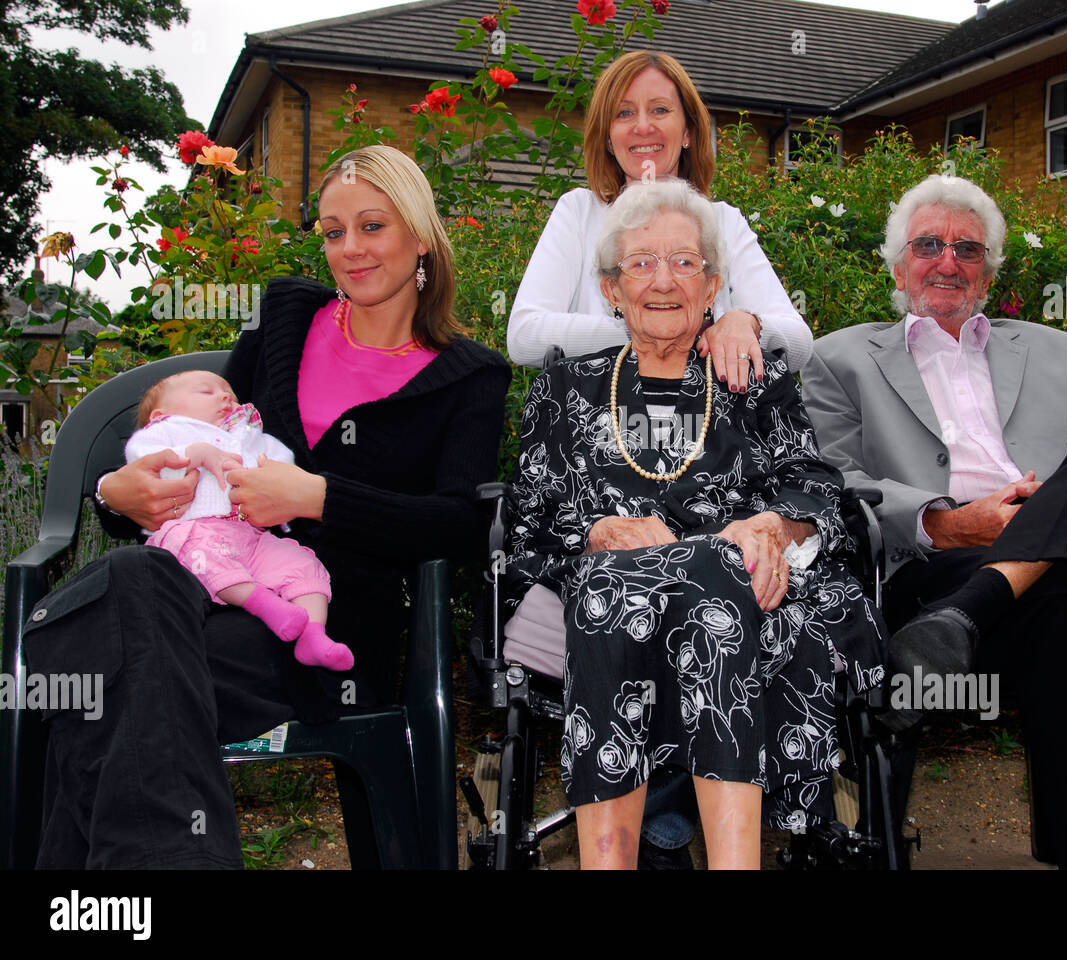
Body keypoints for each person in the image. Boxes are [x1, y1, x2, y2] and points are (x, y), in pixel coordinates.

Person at [24, 144, 510, 868]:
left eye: (372, 226)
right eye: (332, 231)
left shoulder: (468, 376)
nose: (350, 249)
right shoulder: (285, 315)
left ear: (419, 237)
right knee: (132, 585)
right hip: (185, 586)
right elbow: (196, 441)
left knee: (88, 678)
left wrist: (316, 496)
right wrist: (117, 495)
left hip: (320, 622)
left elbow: (459, 524)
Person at [801, 174, 1067, 870]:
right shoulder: (839, 358)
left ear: (989, 273)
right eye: (929, 245)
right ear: (898, 264)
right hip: (937, 567)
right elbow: (829, 481)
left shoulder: (1059, 352)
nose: (948, 261)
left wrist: (1039, 517)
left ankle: (983, 602)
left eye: (968, 248)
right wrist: (945, 521)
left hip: (1063, 555)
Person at [505, 179, 886, 870]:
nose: (662, 280)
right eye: (641, 263)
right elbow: (528, 520)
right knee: (631, 576)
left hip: (752, 595)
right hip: (611, 593)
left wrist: (775, 524)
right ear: (610, 288)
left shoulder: (752, 379)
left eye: (684, 262)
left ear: (714, 286)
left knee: (708, 567)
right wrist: (593, 534)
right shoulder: (564, 389)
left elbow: (817, 488)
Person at [509, 49, 812, 391]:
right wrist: (664, 330)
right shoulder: (579, 213)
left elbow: (799, 343)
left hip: (713, 432)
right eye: (624, 113)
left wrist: (748, 324)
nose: (642, 126)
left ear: (688, 132)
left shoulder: (723, 221)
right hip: (597, 428)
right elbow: (525, 335)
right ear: (608, 138)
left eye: (660, 109)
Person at [127, 370, 352, 671]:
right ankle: (264, 604)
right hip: (191, 529)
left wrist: (279, 484)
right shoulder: (165, 432)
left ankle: (313, 634)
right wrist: (195, 453)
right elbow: (144, 461)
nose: (225, 396)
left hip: (250, 535)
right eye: (206, 392)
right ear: (161, 413)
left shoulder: (251, 435)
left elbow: (283, 468)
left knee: (301, 563)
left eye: (229, 393)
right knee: (197, 550)